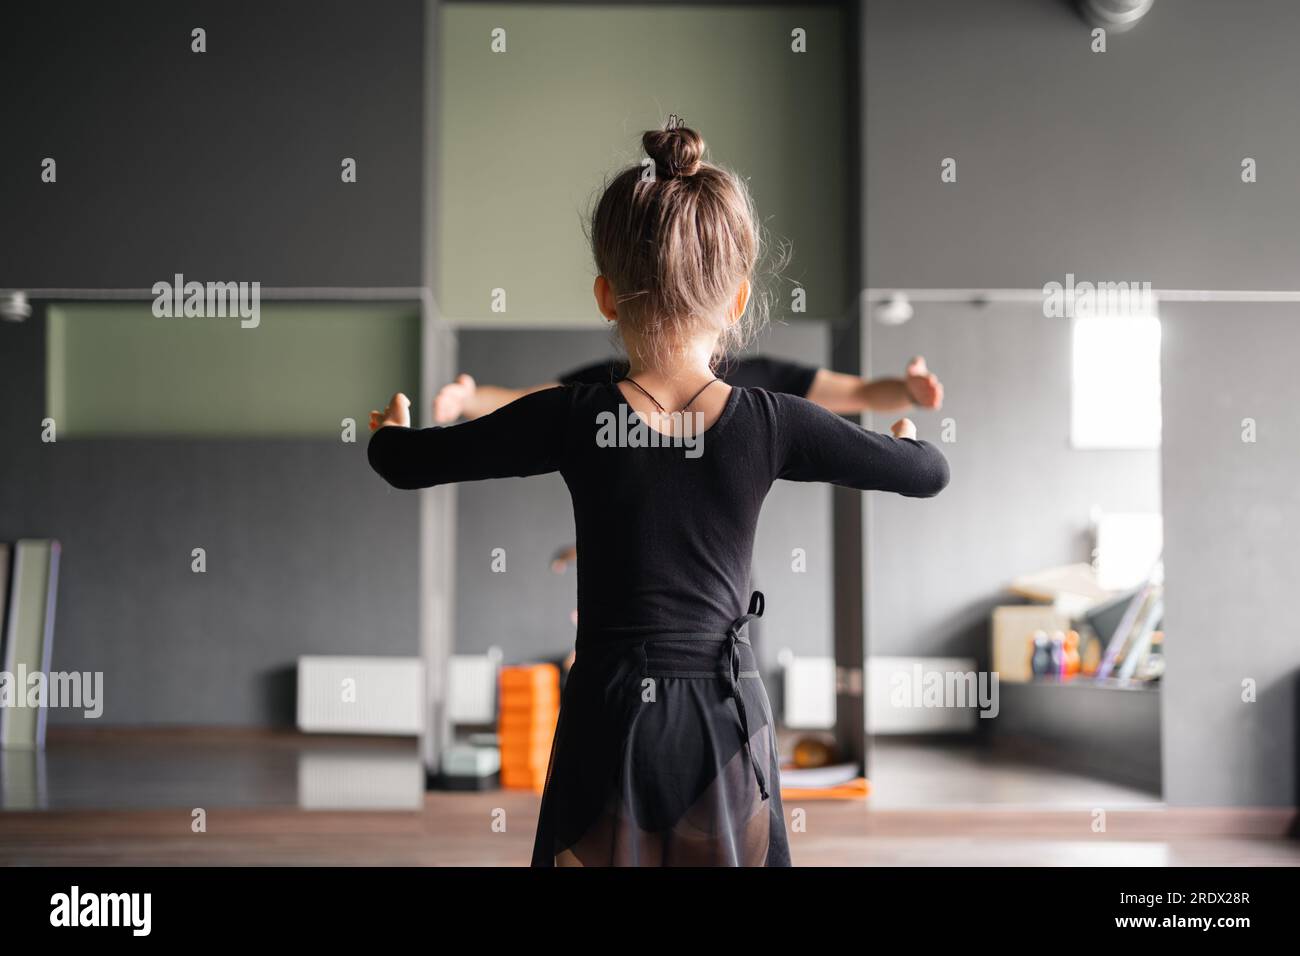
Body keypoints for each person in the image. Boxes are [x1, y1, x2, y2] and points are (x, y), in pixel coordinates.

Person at [367, 120, 948, 866]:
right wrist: (902, 438)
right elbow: (928, 471)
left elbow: (408, 463)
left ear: (607, 296)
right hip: (725, 714)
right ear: (737, 300)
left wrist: (392, 432)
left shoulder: (577, 417)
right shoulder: (771, 423)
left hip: (608, 713)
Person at [432, 354, 944, 423]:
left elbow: (857, 393)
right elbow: (530, 403)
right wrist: (468, 399)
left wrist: (905, 391)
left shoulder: (761, 377)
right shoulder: (618, 375)